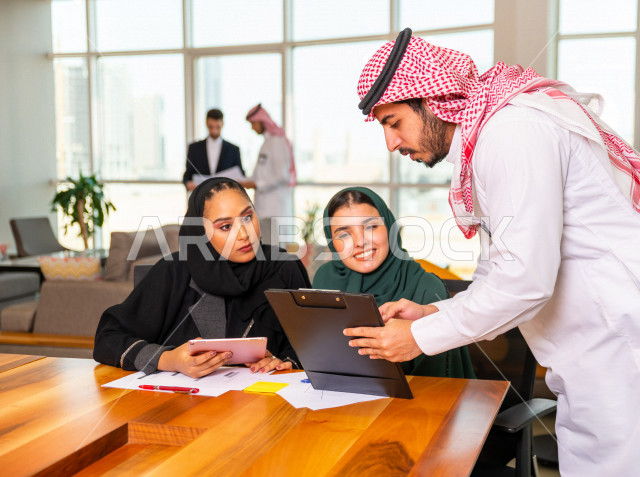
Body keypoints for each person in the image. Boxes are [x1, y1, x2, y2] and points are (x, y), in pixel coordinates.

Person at [344, 29, 640, 475]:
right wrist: (433, 315)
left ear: (432, 99)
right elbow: (500, 272)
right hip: (593, 356)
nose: (390, 144)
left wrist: (418, 339)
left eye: (393, 122)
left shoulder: (511, 133)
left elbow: (524, 282)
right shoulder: (492, 134)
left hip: (619, 349)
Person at [94, 177, 310, 378]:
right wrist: (168, 359)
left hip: (262, 405)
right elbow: (108, 338)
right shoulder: (174, 271)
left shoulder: (284, 268)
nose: (244, 234)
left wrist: (284, 363)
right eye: (225, 226)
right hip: (182, 407)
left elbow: (311, 344)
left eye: (247, 217)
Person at [313, 186, 475, 378]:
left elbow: (439, 384)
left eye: (371, 227)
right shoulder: (325, 278)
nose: (359, 242)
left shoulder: (426, 287)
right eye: (343, 234)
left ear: (389, 228)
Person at [243, 104, 296, 245]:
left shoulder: (277, 142)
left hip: (275, 210)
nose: (252, 128)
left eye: (254, 123)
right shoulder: (266, 144)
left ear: (262, 121)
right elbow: (259, 174)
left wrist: (257, 184)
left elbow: (282, 175)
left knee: (276, 253)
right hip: (263, 210)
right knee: (266, 251)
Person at [183, 109, 244, 192]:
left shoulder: (233, 150)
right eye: (211, 127)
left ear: (222, 124)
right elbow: (187, 175)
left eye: (217, 127)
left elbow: (241, 174)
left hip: (225, 197)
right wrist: (188, 183)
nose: (214, 131)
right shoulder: (194, 148)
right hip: (201, 196)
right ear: (206, 124)